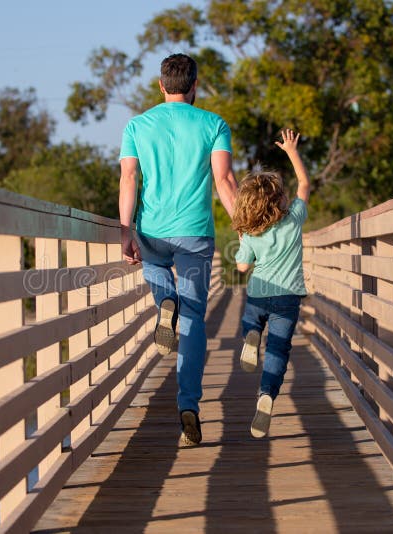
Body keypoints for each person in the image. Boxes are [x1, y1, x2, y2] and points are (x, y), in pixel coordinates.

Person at [119, 53, 238, 446]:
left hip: (151, 232)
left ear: (161, 85)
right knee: (194, 321)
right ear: (195, 87)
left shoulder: (137, 125)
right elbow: (224, 182)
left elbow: (129, 177)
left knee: (156, 275)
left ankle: (163, 301)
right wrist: (246, 229)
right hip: (195, 235)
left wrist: (125, 231)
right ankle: (189, 404)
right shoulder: (213, 124)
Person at [233, 128, 310, 438]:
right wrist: (291, 151)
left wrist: (242, 240)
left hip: (258, 294)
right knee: (278, 351)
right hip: (288, 299)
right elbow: (304, 183)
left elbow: (240, 267)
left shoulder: (252, 234)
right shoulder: (293, 220)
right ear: (280, 199)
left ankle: (251, 336)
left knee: (251, 323)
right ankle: (266, 394)